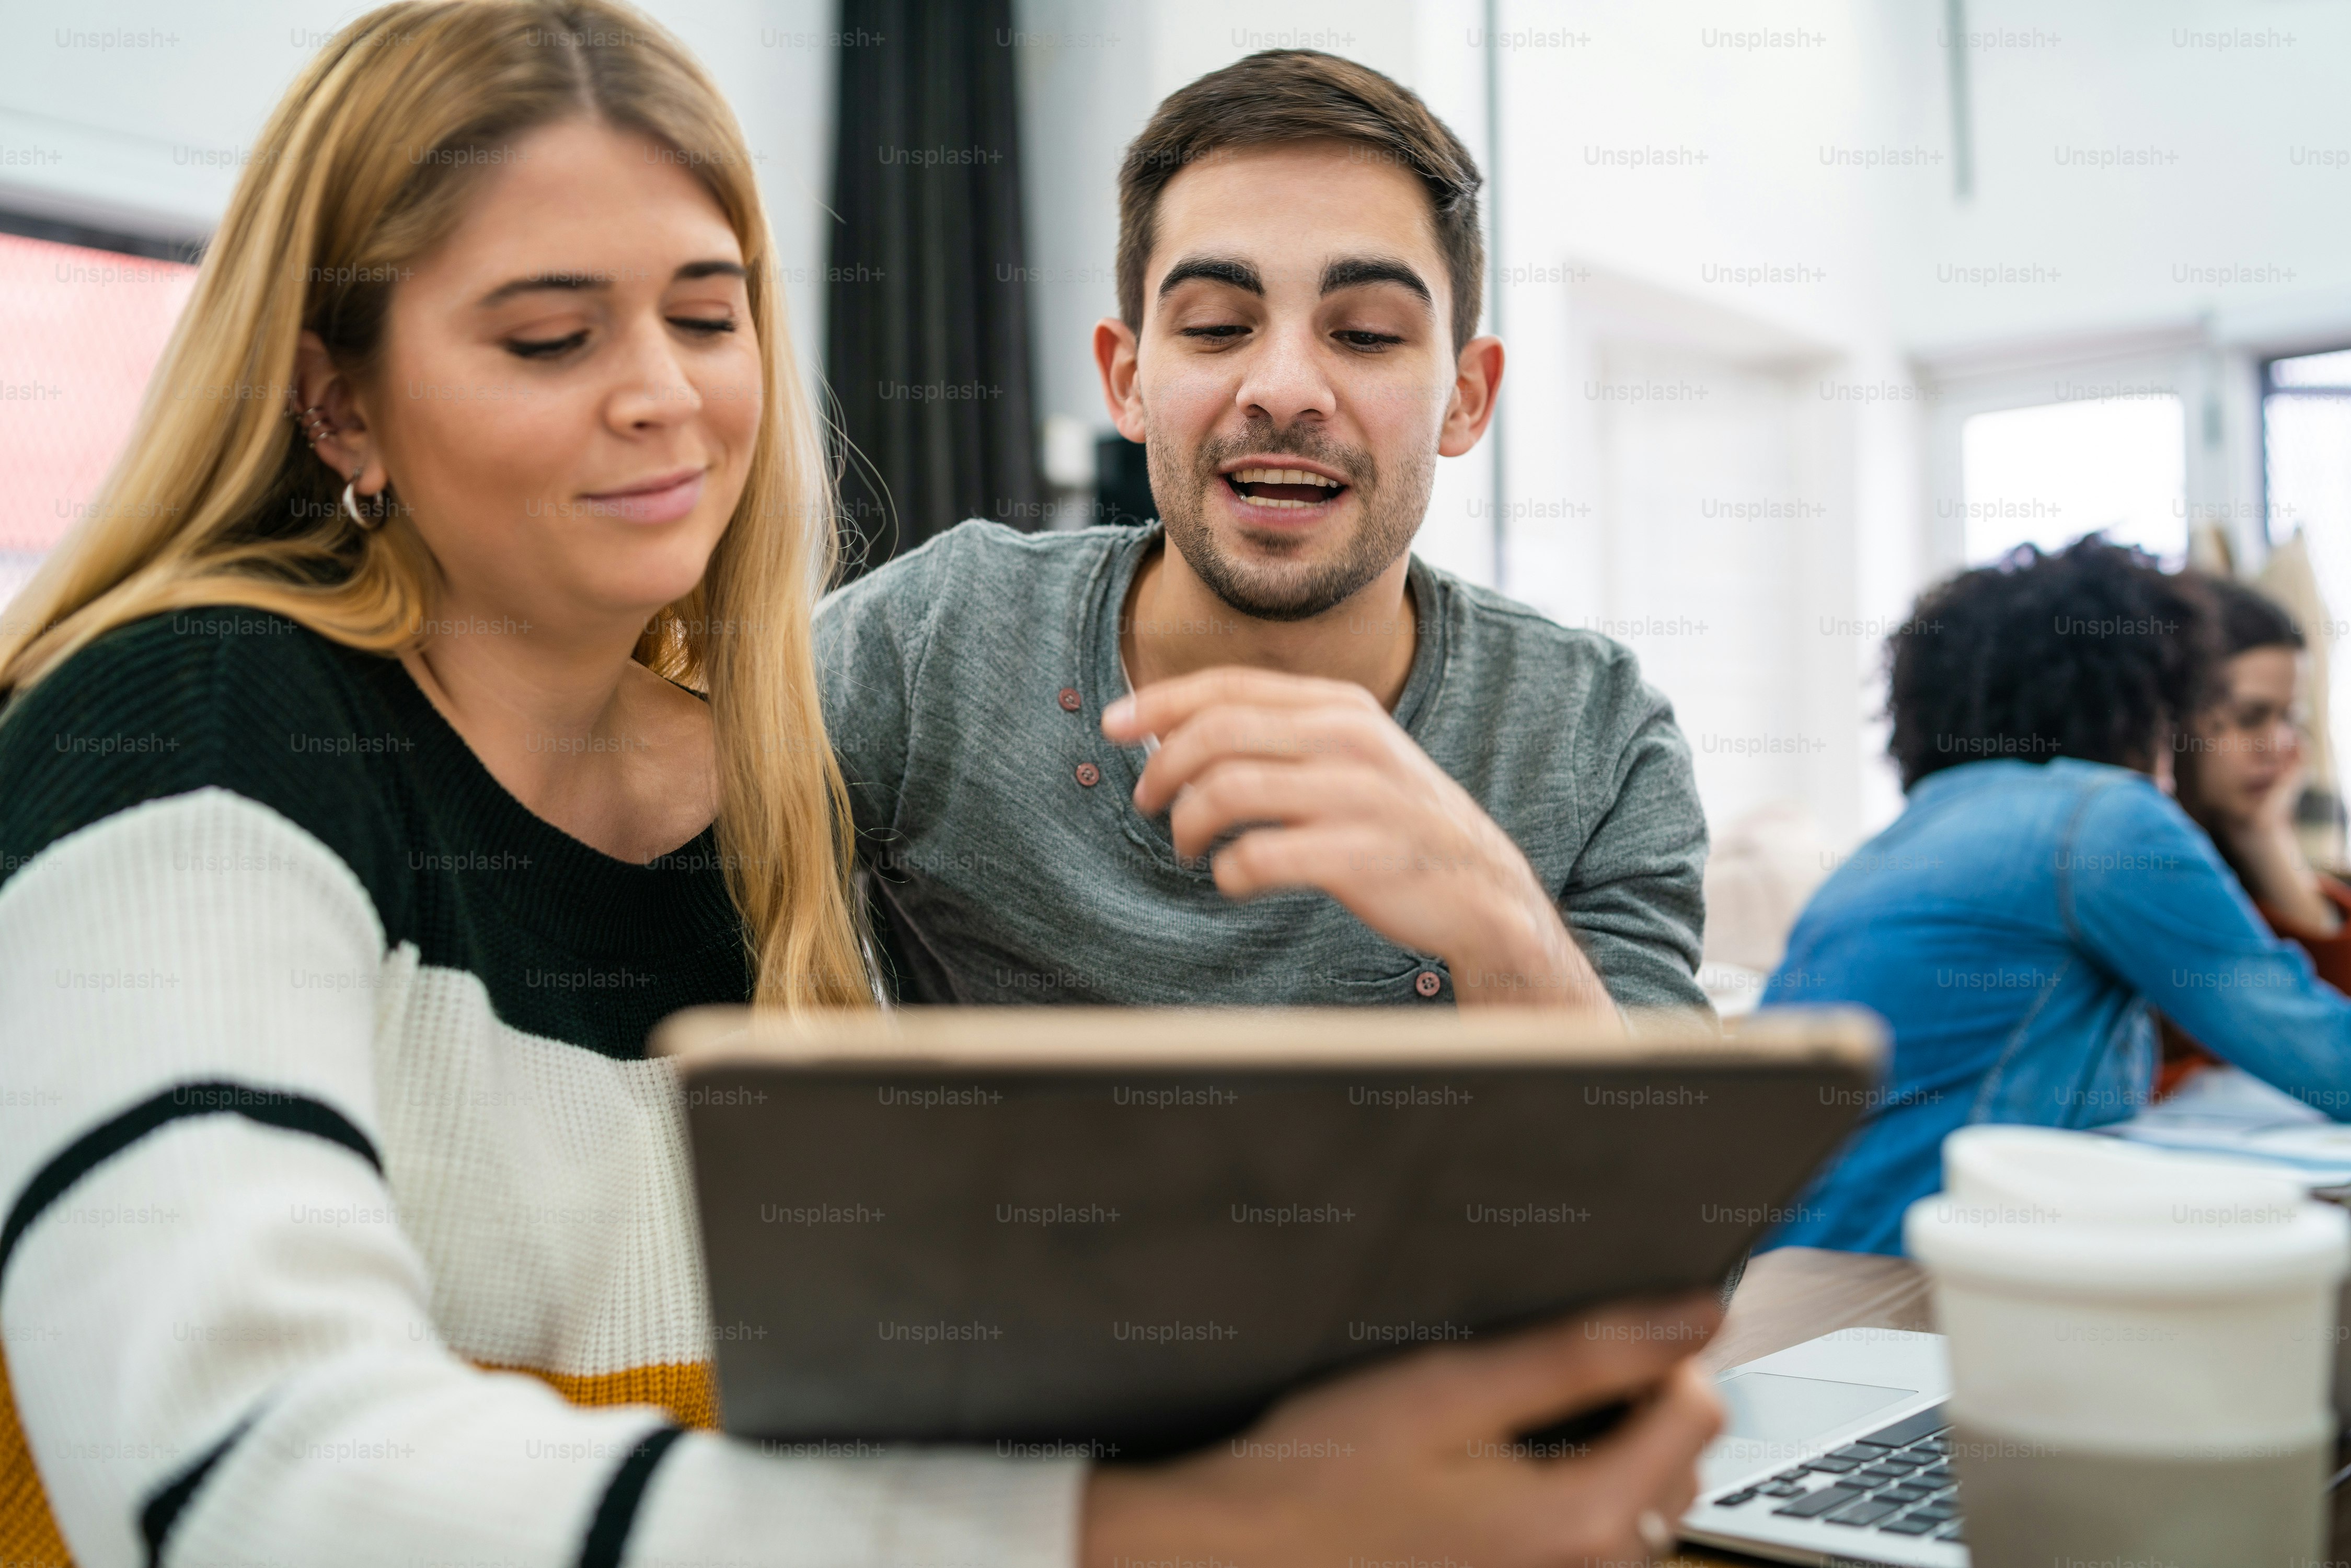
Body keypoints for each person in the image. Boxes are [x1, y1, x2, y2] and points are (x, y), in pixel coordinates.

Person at [0, 7, 1719, 1566]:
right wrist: (1170, 1531)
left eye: (707, 314)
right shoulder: (208, 705)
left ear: (1465, 393)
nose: (665, 399)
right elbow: (239, 1461)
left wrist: (1483, 912)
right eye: (545, 337)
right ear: (334, 402)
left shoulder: (753, 792)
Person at [816, 50, 1706, 1020]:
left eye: (1365, 334)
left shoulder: (1595, 736)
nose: (1283, 388)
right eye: (1213, 327)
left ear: (1466, 397)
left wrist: (1497, 918)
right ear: (1125, 380)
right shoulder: (936, 639)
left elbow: (1657, 1160)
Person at [1754, 537, 2351, 1256]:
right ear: (2140, 696)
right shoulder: (2102, 817)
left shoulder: (1905, 836)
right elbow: (2322, 1057)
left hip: (1790, 1277)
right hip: (1912, 1278)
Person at [2162, 576, 2351, 1091]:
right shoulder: (2135, 862)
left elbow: (2333, 1031)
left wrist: (2267, 842)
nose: (2278, 745)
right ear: (2176, 724)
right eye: (2250, 719)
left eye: (2290, 719)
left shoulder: (2241, 859)